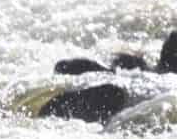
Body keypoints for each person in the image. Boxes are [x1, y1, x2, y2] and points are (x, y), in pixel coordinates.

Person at [34, 31, 177, 124]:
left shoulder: (132, 63)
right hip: (123, 98)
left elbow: (63, 66)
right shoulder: (164, 84)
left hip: (111, 90)